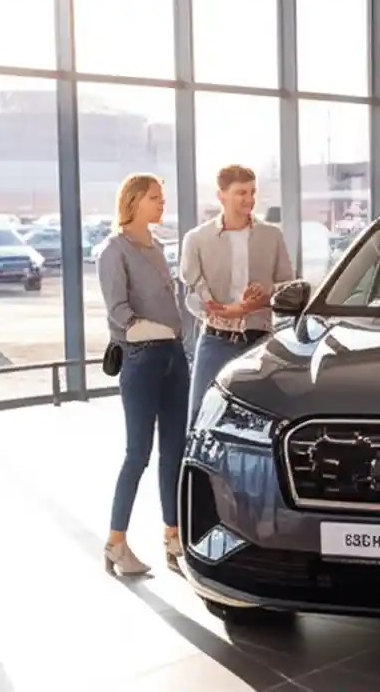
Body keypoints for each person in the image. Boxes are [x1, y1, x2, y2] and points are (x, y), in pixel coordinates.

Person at [97, 173, 190, 576]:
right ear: (133, 201)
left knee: (175, 450)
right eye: (154, 198)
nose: (161, 204)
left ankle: (174, 537)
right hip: (140, 359)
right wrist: (148, 328)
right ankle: (116, 542)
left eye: (161, 197)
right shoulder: (112, 250)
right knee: (138, 454)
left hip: (173, 355)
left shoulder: (158, 247)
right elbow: (117, 308)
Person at [180, 164, 294, 424]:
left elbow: (288, 286)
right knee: (201, 417)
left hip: (260, 342)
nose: (249, 199)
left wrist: (264, 297)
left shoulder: (272, 236)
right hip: (215, 340)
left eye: (252, 192)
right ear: (221, 195)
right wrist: (221, 310)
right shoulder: (196, 239)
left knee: (260, 420)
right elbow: (192, 292)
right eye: (241, 192)